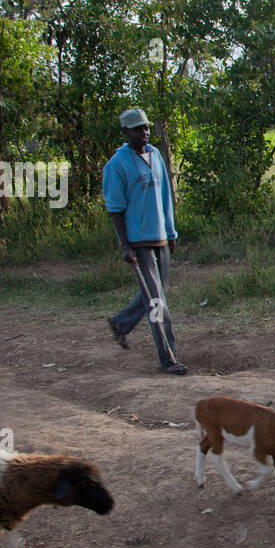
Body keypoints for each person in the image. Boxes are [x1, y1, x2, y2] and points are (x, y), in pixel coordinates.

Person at [103, 108, 188, 374]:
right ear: (126, 132)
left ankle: (121, 323)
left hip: (160, 237)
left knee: (156, 293)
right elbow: (115, 208)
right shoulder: (116, 165)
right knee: (156, 303)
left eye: (146, 127)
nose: (144, 132)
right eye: (138, 129)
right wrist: (124, 245)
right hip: (138, 241)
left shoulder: (155, 155)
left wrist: (170, 232)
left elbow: (165, 196)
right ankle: (168, 358)